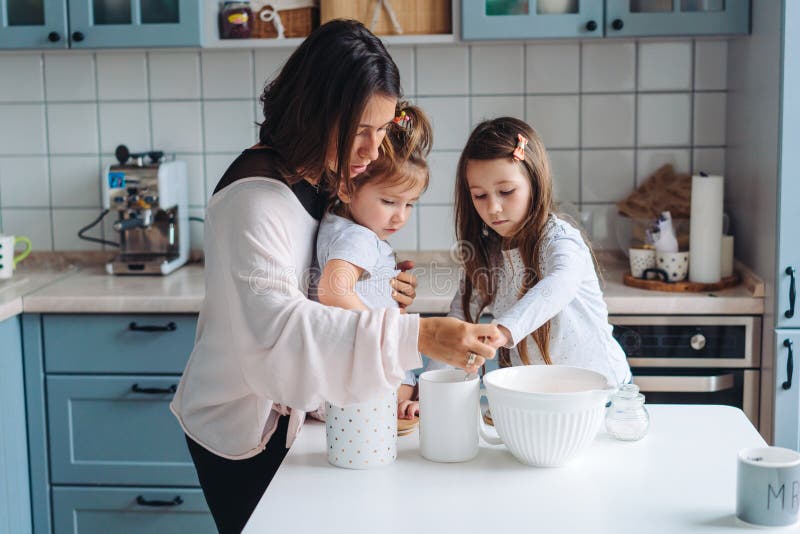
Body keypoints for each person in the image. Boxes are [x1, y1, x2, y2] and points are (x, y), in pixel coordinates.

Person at [169, 20, 501, 534]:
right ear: (317, 113)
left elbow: (320, 277)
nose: (372, 152)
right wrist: (418, 335)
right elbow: (280, 329)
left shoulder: (315, 176)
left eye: (383, 130)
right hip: (243, 429)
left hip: (293, 413)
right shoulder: (253, 202)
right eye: (361, 132)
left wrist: (379, 286)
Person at [451, 117, 631, 385]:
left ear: (534, 183)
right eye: (480, 195)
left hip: (601, 393)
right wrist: (432, 384)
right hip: (537, 396)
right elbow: (458, 320)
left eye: (506, 191)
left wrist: (504, 329)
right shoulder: (488, 253)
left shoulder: (560, 240)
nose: (493, 208)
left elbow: (561, 283)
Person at [315, 103, 430, 420]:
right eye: (389, 201)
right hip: (364, 390)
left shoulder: (340, 224)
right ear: (346, 188)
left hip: (343, 385)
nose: (400, 216)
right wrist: (389, 332)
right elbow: (333, 291)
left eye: (410, 204)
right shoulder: (360, 237)